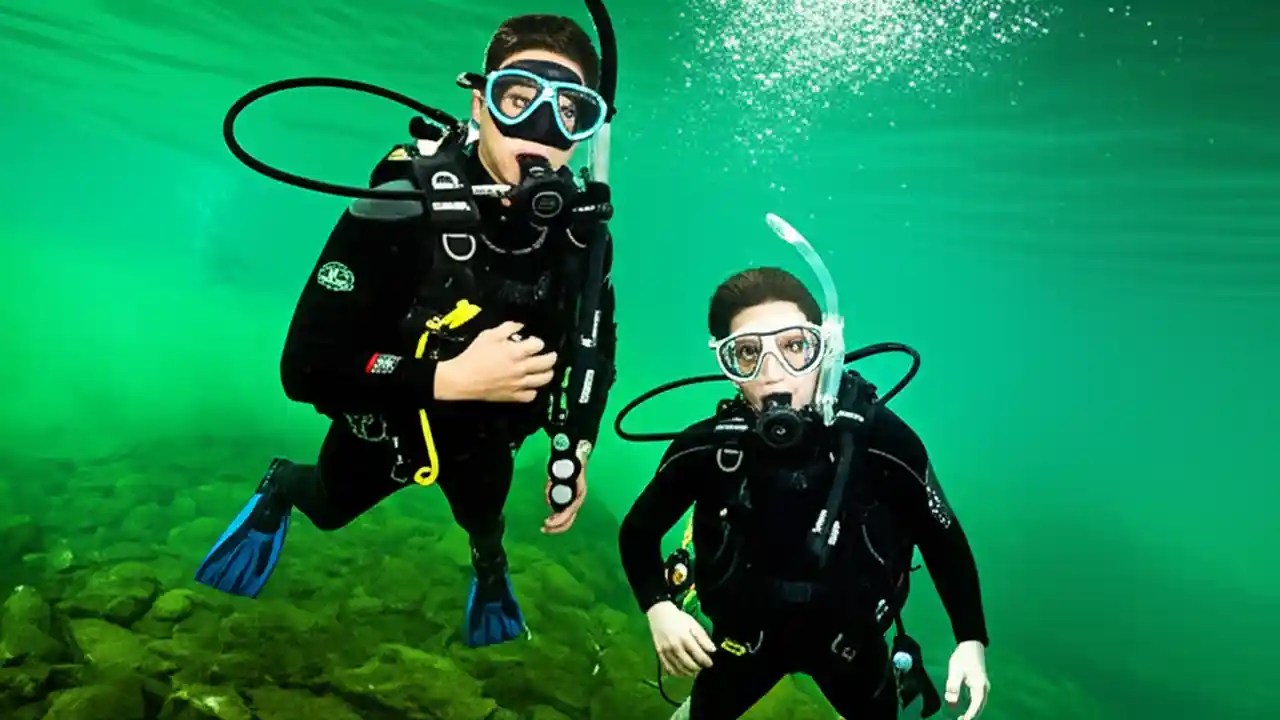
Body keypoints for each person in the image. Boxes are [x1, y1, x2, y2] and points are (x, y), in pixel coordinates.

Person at [194, 10, 621, 650]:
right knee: (331, 510)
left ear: (588, 130)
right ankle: (283, 482)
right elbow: (305, 366)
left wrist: (578, 443)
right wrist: (446, 378)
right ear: (480, 103)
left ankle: (489, 566)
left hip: (487, 439)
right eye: (518, 99)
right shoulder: (402, 205)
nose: (542, 131)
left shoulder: (581, 235)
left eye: (571, 114)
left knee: (485, 520)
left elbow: (595, 346)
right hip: (386, 426)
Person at [613, 215, 991, 719]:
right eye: (746, 354)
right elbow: (638, 532)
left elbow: (943, 539)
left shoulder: (881, 441)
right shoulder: (707, 450)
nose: (773, 375)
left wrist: (970, 638)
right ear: (727, 368)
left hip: (850, 645)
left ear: (825, 348)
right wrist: (658, 608)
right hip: (743, 642)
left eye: (795, 347)